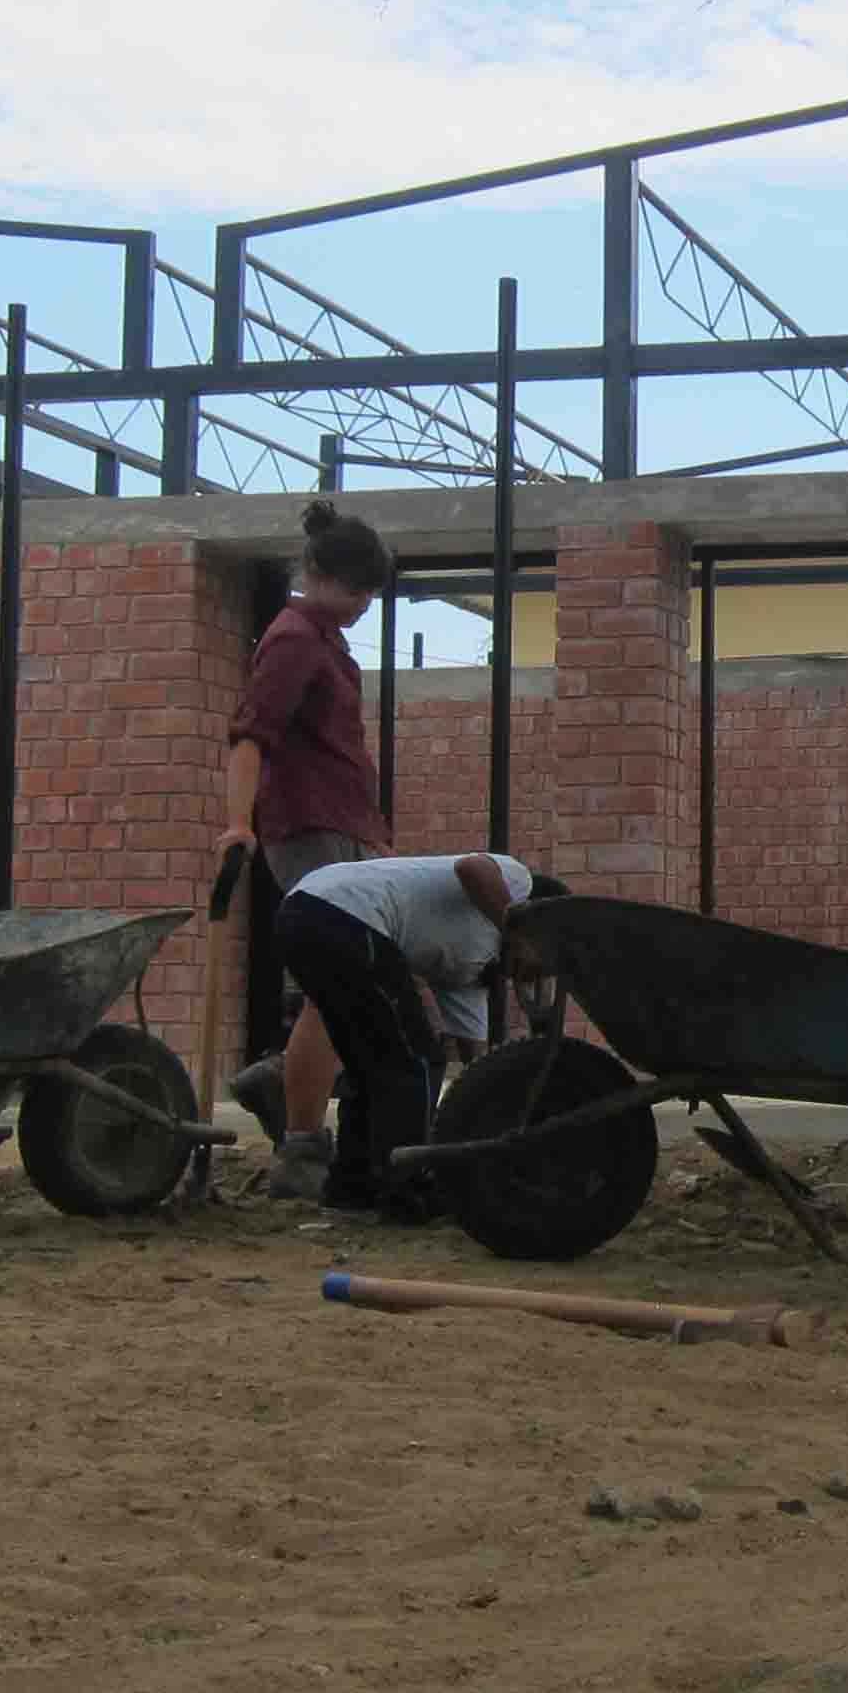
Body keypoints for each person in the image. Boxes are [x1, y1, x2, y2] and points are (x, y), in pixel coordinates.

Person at [220, 500, 394, 1197]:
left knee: (355, 980)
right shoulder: (292, 639)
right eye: (353, 590)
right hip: (306, 827)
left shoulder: (328, 641)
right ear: (317, 574)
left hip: (342, 825)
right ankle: (300, 1146)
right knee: (335, 981)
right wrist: (238, 821)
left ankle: (280, 1079)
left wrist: (374, 836)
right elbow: (251, 733)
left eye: (369, 596)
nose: (360, 605)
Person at [271, 853, 566, 1215]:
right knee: (417, 1061)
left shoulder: (470, 973)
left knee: (370, 1064)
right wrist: (522, 937)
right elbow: (471, 867)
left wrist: (501, 1122)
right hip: (343, 913)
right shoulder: (516, 880)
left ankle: (353, 1184)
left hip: (303, 917)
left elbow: (480, 1066)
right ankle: (406, 1188)